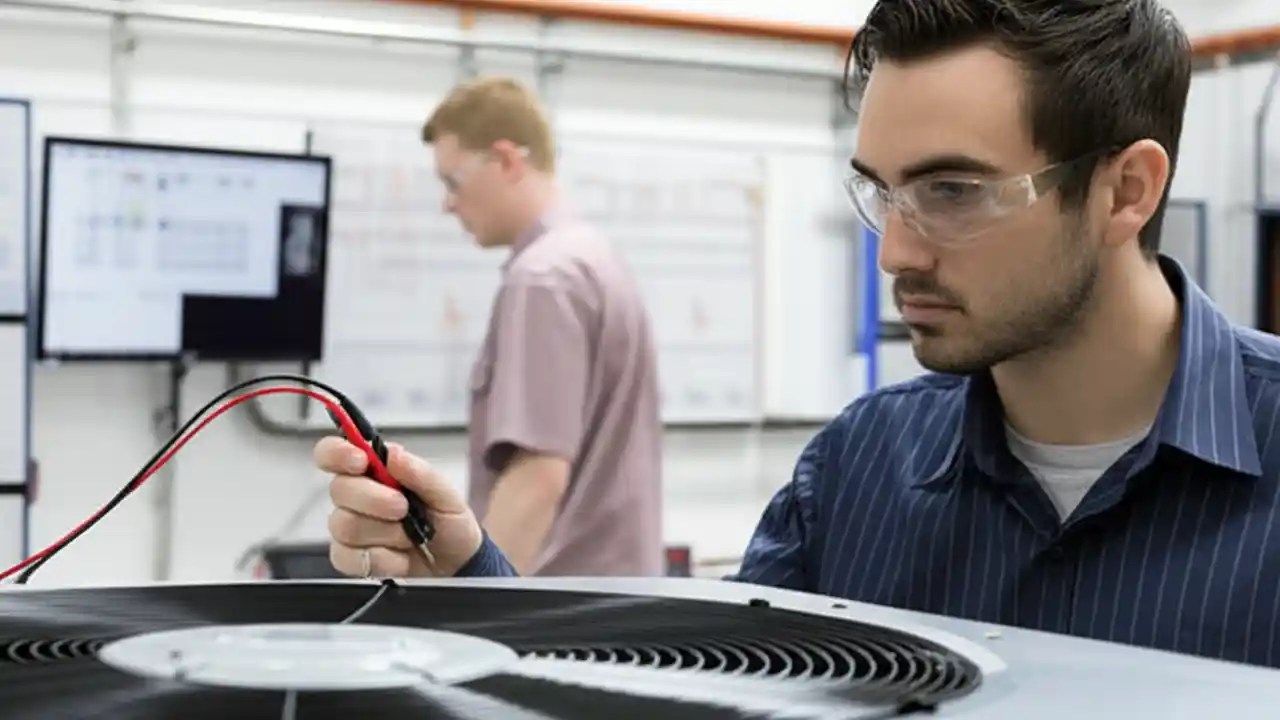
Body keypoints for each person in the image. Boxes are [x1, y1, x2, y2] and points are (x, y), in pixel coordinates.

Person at [317, 0, 1280, 668]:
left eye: (952, 192)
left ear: (1126, 191)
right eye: (880, 191)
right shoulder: (855, 472)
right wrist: (469, 574)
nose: (895, 252)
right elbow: (710, 697)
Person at [326, 76, 664, 577]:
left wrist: (470, 605)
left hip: (559, 612)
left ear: (507, 160)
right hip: (613, 601)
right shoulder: (594, 258)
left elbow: (536, 479)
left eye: (452, 181)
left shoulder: (542, 280)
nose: (447, 203)